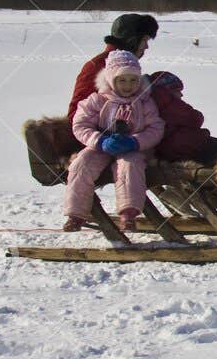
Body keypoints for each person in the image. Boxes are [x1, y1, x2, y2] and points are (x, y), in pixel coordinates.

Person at [64, 50, 165, 232]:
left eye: (133, 80)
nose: (128, 85)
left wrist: (135, 142)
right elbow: (80, 124)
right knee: (81, 165)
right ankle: (76, 214)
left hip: (131, 148)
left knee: (130, 166)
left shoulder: (144, 102)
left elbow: (156, 128)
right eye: (122, 80)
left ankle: (128, 214)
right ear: (111, 80)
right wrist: (99, 140)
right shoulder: (97, 100)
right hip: (100, 146)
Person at [68, 14, 158, 121]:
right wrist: (105, 134)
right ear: (132, 40)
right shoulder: (98, 66)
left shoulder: (128, 64)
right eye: (144, 40)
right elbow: (75, 115)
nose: (147, 46)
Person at [147, 71, 217, 165]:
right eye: (177, 91)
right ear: (167, 90)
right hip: (193, 147)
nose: (181, 95)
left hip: (179, 148)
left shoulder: (150, 102)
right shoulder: (168, 102)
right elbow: (196, 118)